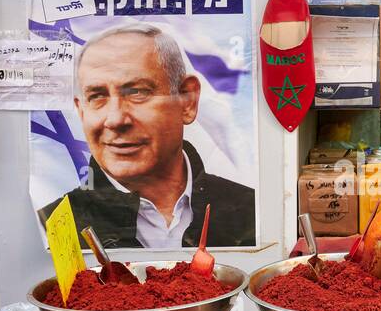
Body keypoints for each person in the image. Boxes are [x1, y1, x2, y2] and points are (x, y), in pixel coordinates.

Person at [39, 22, 256, 249]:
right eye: (97, 96)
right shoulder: (51, 230)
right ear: (81, 111)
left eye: (137, 92)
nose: (115, 119)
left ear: (187, 100)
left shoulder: (251, 213)